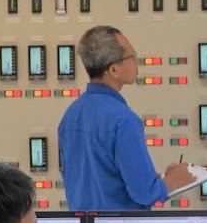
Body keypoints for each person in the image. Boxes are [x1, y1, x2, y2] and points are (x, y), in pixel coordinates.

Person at [58, 25, 193, 210]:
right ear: (114, 70)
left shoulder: (71, 115)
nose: (136, 61)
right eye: (132, 56)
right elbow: (146, 193)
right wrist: (174, 180)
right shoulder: (124, 120)